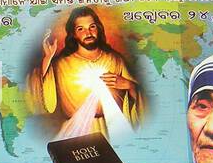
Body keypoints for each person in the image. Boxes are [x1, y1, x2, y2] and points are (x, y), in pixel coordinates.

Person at [34, 7, 141, 138]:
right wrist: (47, 59)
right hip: (77, 131)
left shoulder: (115, 59)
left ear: (98, 29)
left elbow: (139, 99)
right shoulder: (62, 64)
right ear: (73, 33)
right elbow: (44, 97)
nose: (88, 33)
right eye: (81, 29)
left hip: (113, 129)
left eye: (92, 27)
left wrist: (130, 85)